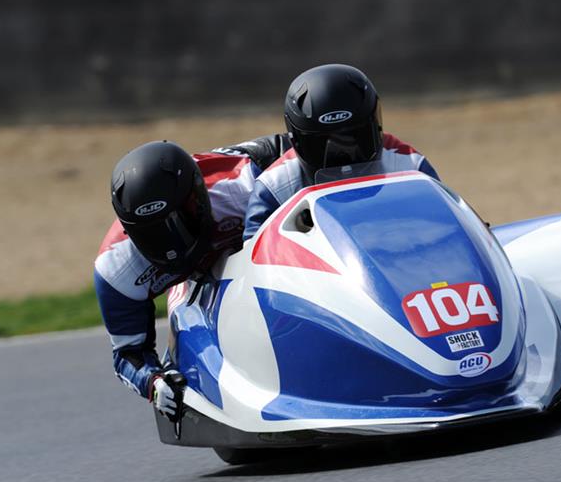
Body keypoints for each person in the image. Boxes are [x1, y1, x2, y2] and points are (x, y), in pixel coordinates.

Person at [94, 134, 290, 416]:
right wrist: (154, 384)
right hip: (192, 286)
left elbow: (298, 153)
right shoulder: (116, 269)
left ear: (199, 196)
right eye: (151, 233)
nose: (171, 242)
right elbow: (128, 354)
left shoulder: (243, 185)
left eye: (180, 220)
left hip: (261, 248)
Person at [242, 63, 439, 240]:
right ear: (296, 141)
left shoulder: (411, 167)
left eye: (354, 138)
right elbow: (255, 255)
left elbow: (444, 227)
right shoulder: (275, 187)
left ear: (377, 127)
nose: (343, 156)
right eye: (322, 144)